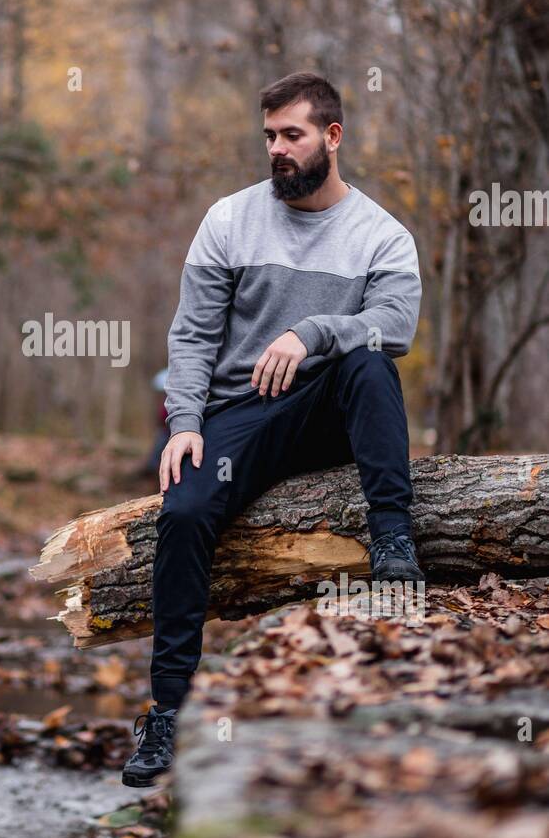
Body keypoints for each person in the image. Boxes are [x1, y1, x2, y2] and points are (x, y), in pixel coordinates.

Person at [123, 72, 424, 788]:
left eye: (292, 135)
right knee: (186, 509)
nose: (277, 150)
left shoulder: (381, 235)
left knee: (370, 361)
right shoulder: (229, 220)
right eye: (269, 137)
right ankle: (168, 710)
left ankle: (394, 540)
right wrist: (184, 425)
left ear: (333, 136)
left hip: (328, 410)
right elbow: (192, 338)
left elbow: (396, 327)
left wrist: (314, 331)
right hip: (239, 417)